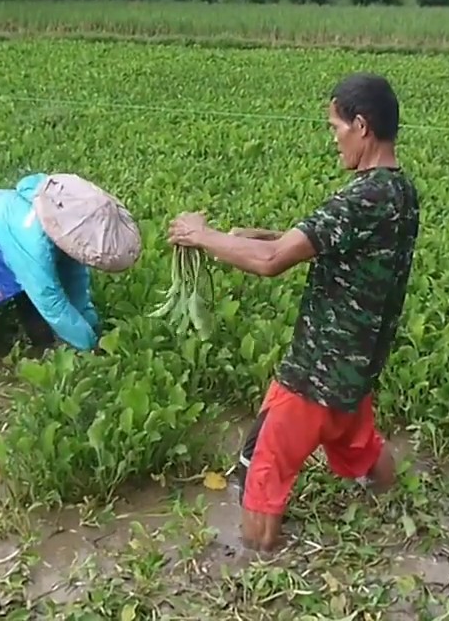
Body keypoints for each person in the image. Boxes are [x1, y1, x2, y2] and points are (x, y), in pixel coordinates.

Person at [168, 72, 421, 553]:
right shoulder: (400, 193)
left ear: (361, 126)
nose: (334, 139)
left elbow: (271, 263)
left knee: (259, 469)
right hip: (355, 373)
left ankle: (255, 567)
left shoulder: (360, 198)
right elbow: (314, 245)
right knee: (364, 449)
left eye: (335, 128)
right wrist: (248, 235)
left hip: (313, 377)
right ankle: (398, 525)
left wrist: (199, 234)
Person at [0, 172, 141, 370]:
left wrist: (93, 326)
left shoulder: (68, 234)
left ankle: (43, 346)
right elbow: (51, 301)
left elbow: (75, 285)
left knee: (27, 295)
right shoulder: (35, 243)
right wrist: (90, 347)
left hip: (3, 226)